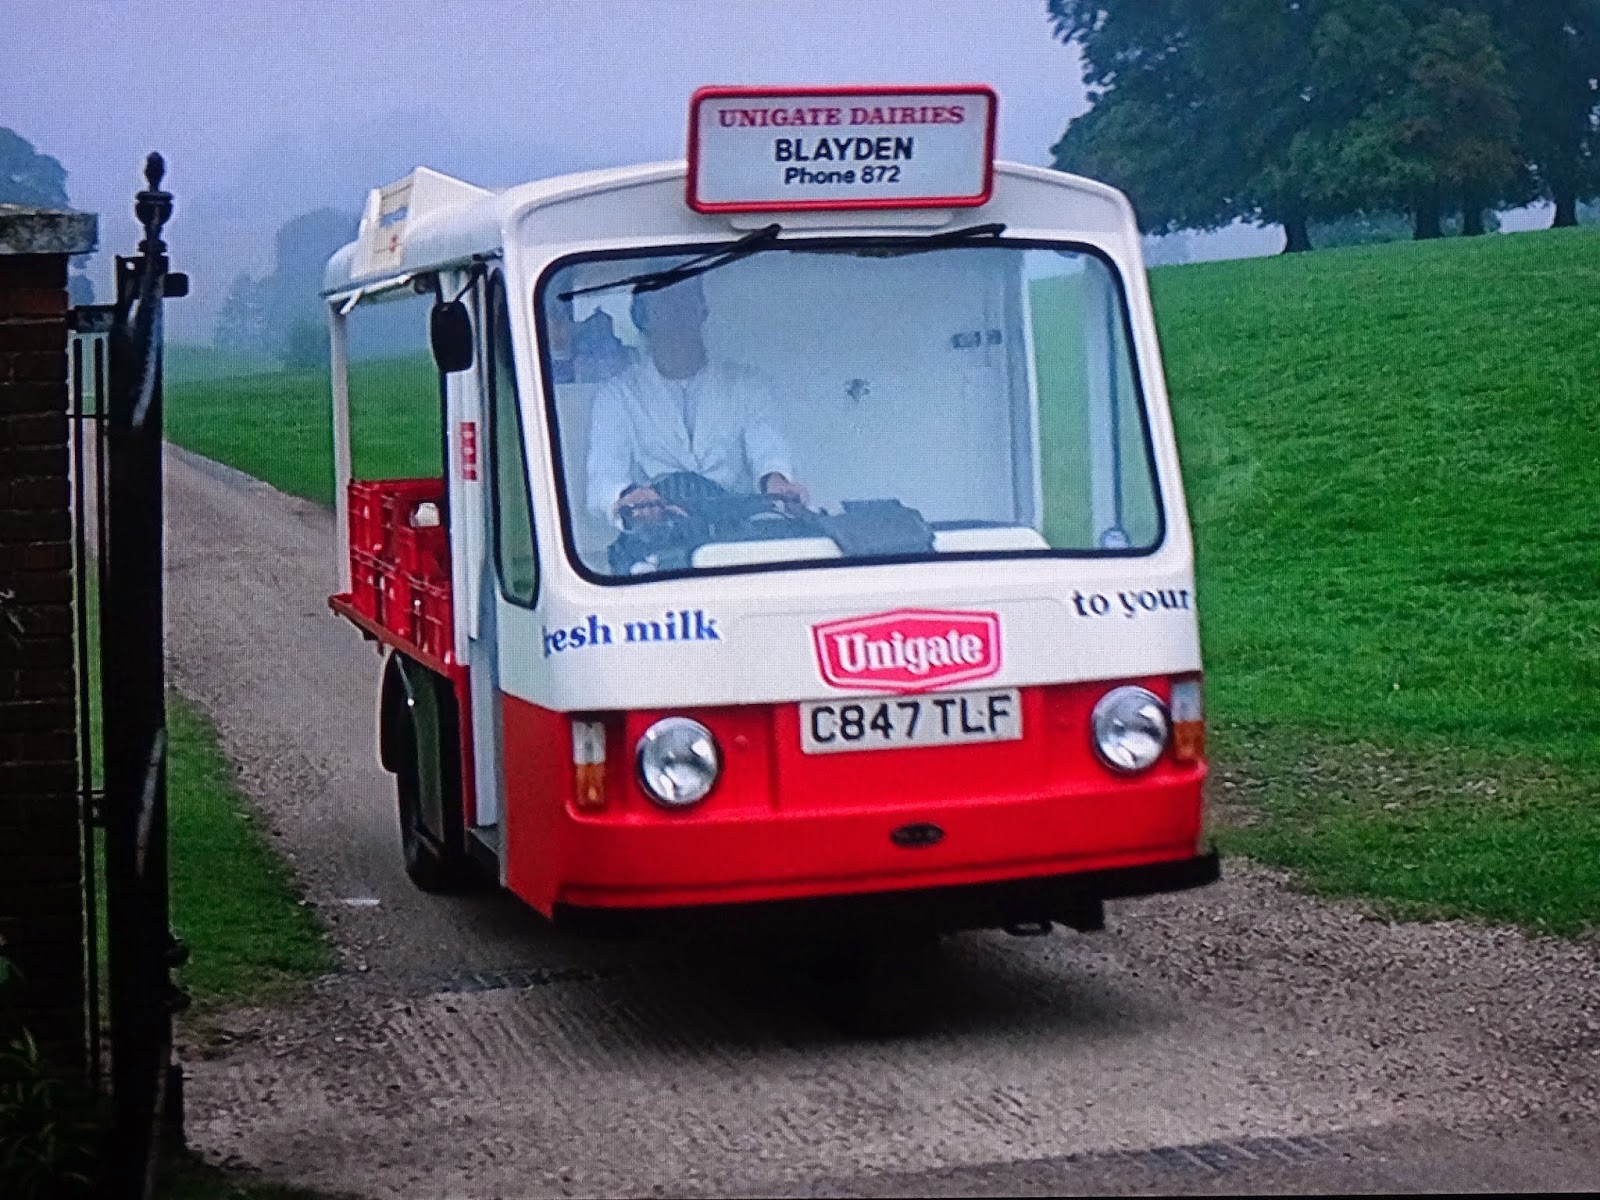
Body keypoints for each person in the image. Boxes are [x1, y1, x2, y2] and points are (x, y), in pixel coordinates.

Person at [585, 274, 808, 526]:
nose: (677, 319)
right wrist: (629, 499)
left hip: (736, 530)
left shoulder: (748, 385)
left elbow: (768, 448)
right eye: (664, 308)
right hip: (660, 534)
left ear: (703, 311)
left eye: (685, 305)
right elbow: (604, 478)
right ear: (641, 319)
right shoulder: (617, 394)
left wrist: (776, 482)